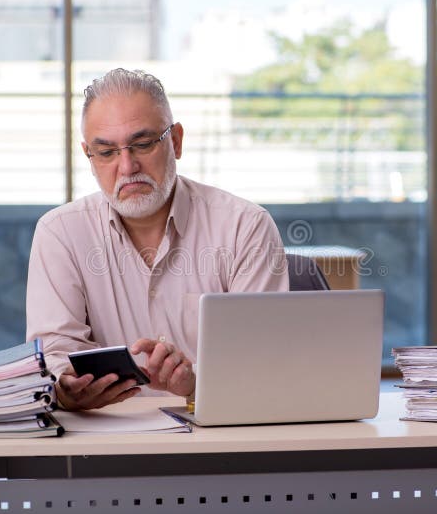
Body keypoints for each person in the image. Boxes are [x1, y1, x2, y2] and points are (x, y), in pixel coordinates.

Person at [26, 68, 288, 410]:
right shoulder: (59, 233)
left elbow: (264, 363)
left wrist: (195, 383)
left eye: (143, 144)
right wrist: (65, 388)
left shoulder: (244, 226)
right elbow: (56, 351)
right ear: (89, 156)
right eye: (106, 152)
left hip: (218, 439)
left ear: (175, 141)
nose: (127, 166)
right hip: (101, 442)